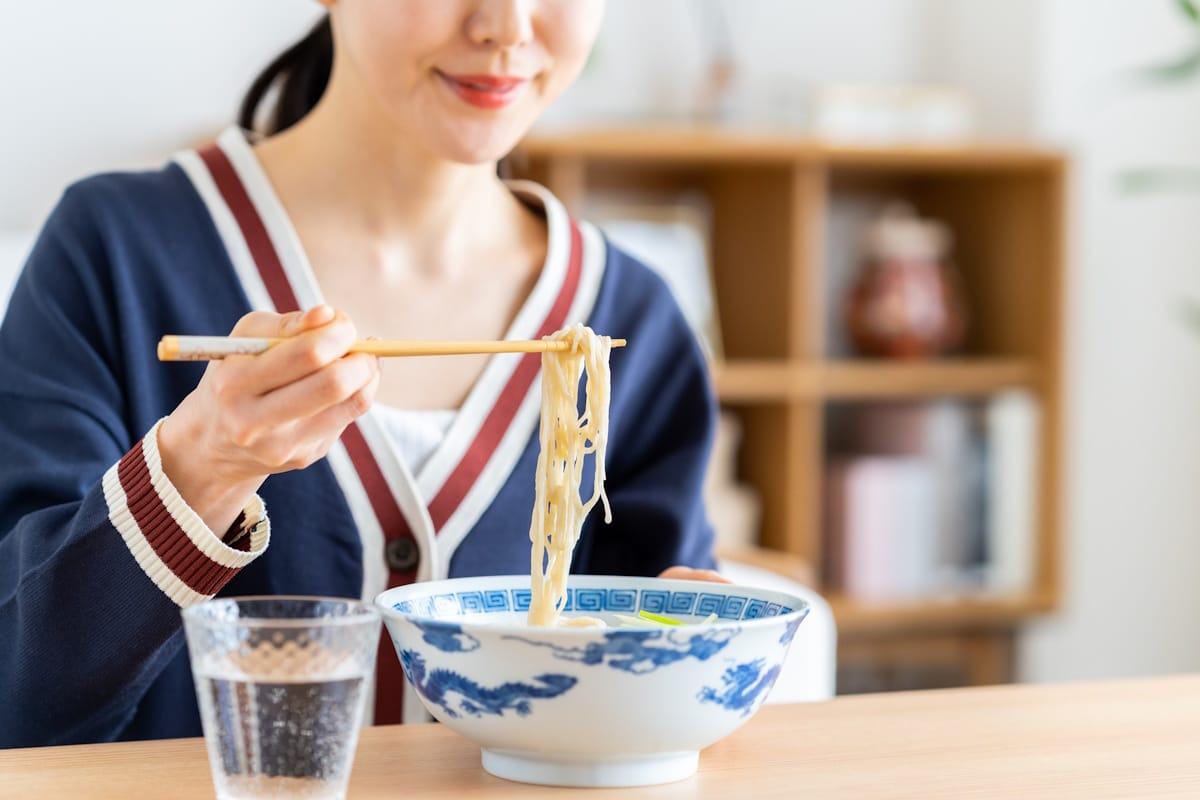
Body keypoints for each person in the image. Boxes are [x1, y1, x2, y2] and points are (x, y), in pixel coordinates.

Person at [0, 0, 723, 748]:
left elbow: (656, 685)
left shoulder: (632, 319)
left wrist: (692, 662)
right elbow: (19, 700)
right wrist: (203, 466)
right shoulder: (112, 253)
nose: (508, 26)